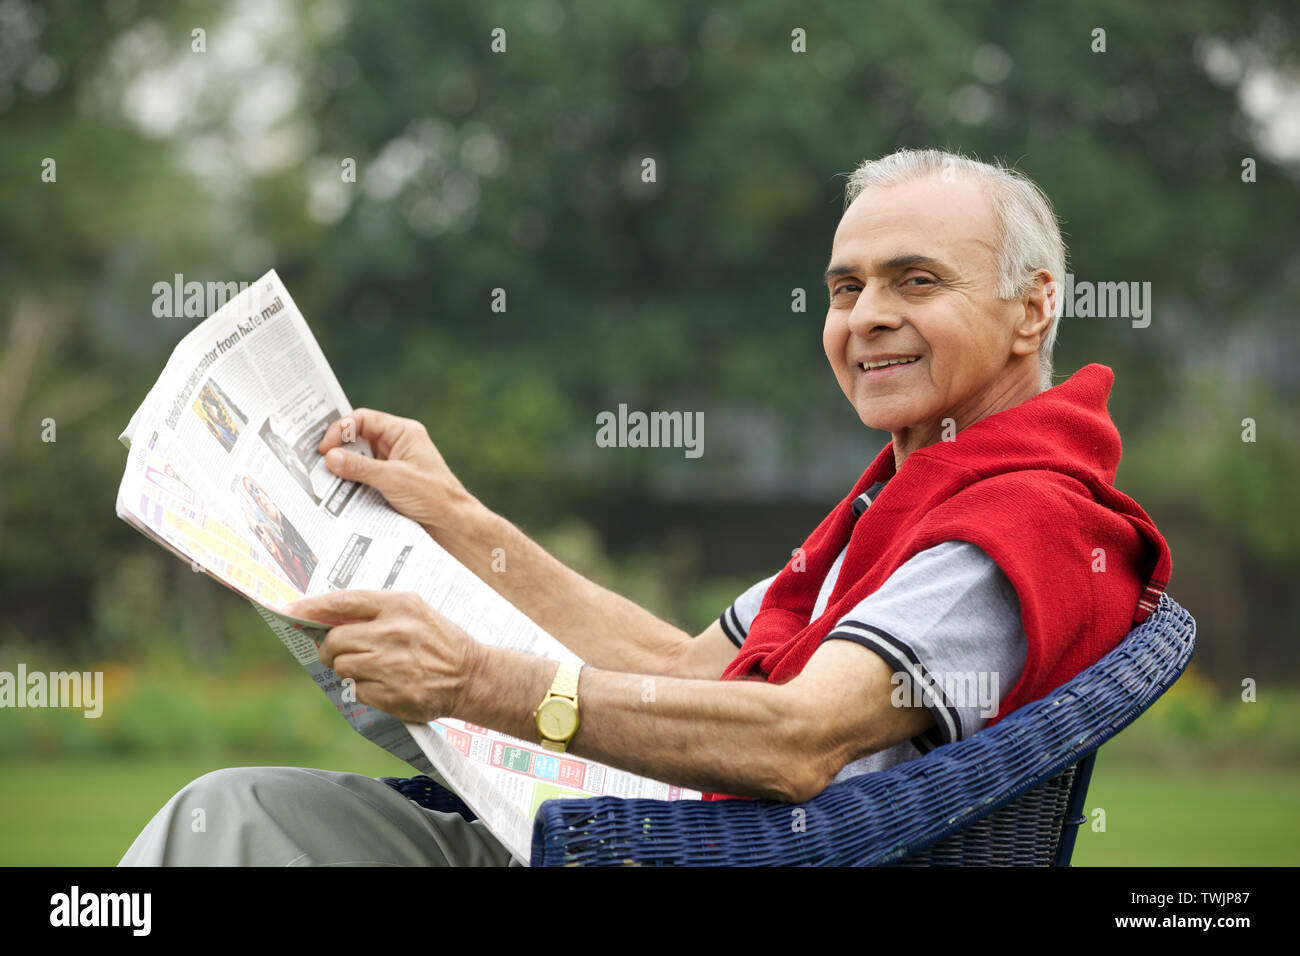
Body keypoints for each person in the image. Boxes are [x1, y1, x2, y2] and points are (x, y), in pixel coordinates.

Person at [119, 147, 1171, 866]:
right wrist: (451, 512)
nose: (868, 317)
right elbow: (684, 671)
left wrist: (480, 678)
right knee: (236, 815)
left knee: (227, 835)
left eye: (915, 280)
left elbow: (796, 739)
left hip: (682, 851)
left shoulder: (1017, 524)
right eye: (845, 287)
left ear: (1033, 305)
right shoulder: (916, 486)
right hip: (657, 833)